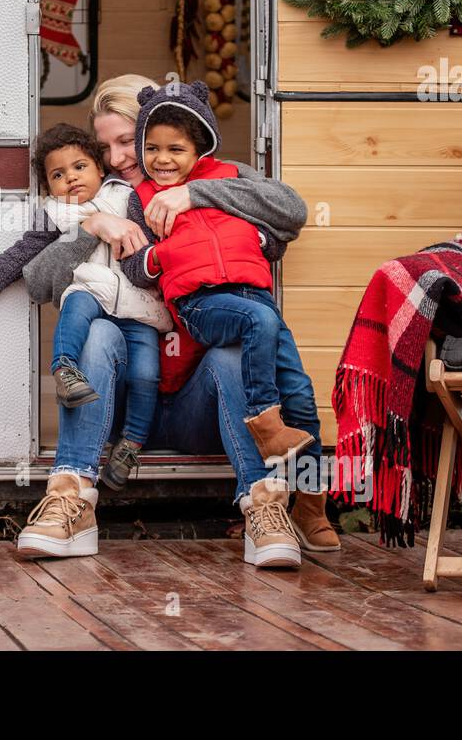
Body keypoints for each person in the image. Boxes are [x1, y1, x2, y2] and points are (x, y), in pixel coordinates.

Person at [15, 75, 339, 567]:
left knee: (272, 374)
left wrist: (195, 196)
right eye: (105, 147)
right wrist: (92, 225)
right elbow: (38, 281)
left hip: (198, 398)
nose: (121, 157)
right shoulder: (99, 198)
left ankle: (275, 508)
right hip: (122, 400)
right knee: (100, 331)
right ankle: (73, 497)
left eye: (128, 141)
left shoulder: (204, 176)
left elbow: (287, 212)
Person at [118, 80, 319, 568]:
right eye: (151, 149)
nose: (161, 159)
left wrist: (197, 195)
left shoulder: (233, 176)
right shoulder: (137, 199)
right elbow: (136, 262)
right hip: (201, 310)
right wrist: (162, 255)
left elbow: (289, 214)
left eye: (176, 149)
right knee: (252, 325)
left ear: (200, 147)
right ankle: (265, 439)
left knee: (302, 393)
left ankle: (313, 505)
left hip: (251, 295)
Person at [0, 123, 170, 502]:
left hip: (135, 302)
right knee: (74, 306)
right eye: (57, 175)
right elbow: (23, 251)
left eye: (79, 167)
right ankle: (65, 370)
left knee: (146, 374)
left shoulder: (127, 197)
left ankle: (131, 443)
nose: (70, 179)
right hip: (92, 286)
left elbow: (149, 241)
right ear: (48, 186)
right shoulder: (56, 213)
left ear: (100, 169)